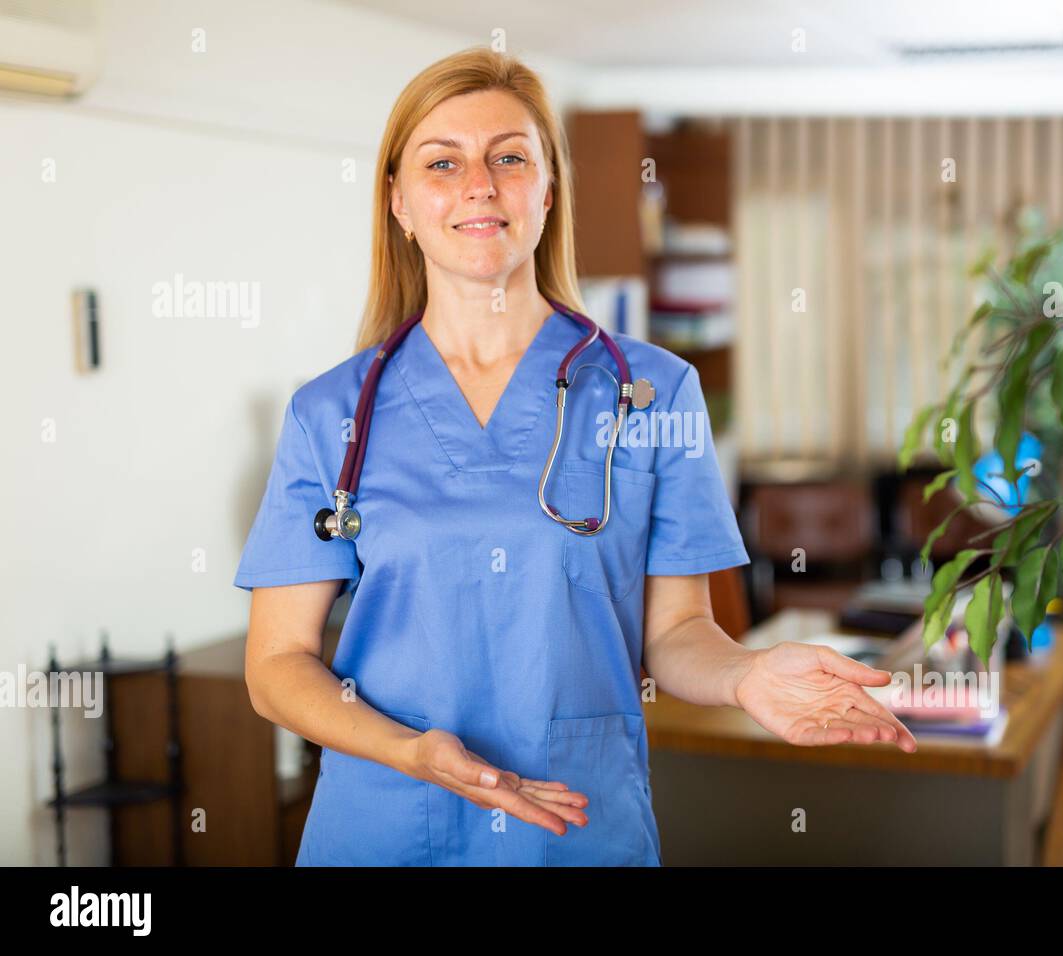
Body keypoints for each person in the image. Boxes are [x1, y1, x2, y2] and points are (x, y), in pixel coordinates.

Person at [234, 46, 916, 867]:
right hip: (383, 825)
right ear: (400, 202)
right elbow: (276, 665)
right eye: (443, 162)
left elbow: (677, 632)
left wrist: (744, 676)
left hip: (576, 827)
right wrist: (411, 752)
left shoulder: (654, 393)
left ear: (548, 190)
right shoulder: (333, 413)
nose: (479, 184)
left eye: (510, 158)